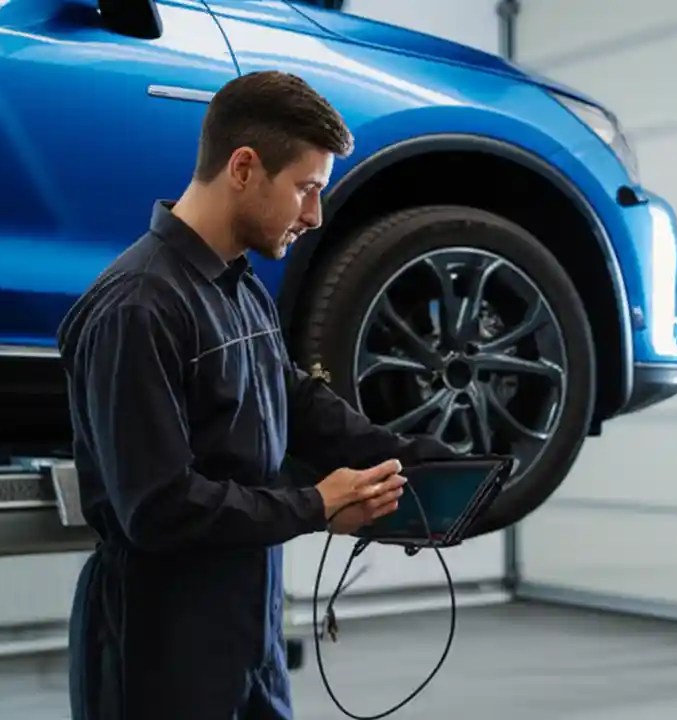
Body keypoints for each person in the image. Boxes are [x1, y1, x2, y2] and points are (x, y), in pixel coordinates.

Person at [56, 71, 458, 720]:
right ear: (243, 167)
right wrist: (316, 505)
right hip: (159, 642)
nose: (314, 215)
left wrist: (414, 458)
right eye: (306, 188)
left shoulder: (240, 289)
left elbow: (293, 402)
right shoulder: (139, 308)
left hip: (249, 625)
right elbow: (158, 507)